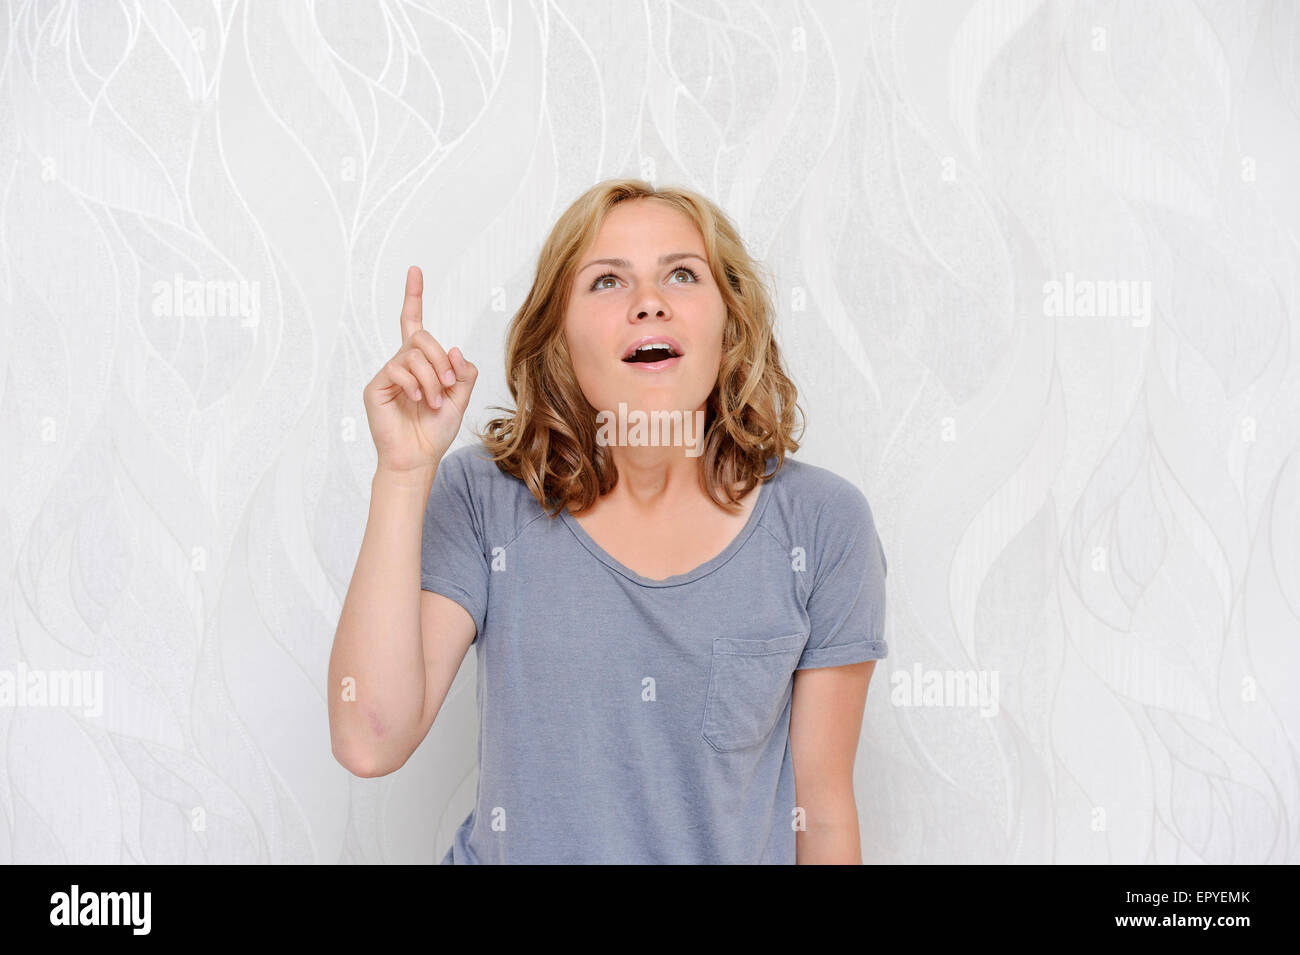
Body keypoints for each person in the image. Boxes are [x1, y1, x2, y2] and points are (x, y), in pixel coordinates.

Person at [327, 178, 889, 864]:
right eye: (607, 281)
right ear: (559, 337)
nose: (649, 301)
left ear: (731, 324)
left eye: (681, 274)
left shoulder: (822, 525)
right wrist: (403, 472)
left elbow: (822, 815)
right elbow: (369, 740)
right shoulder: (485, 498)